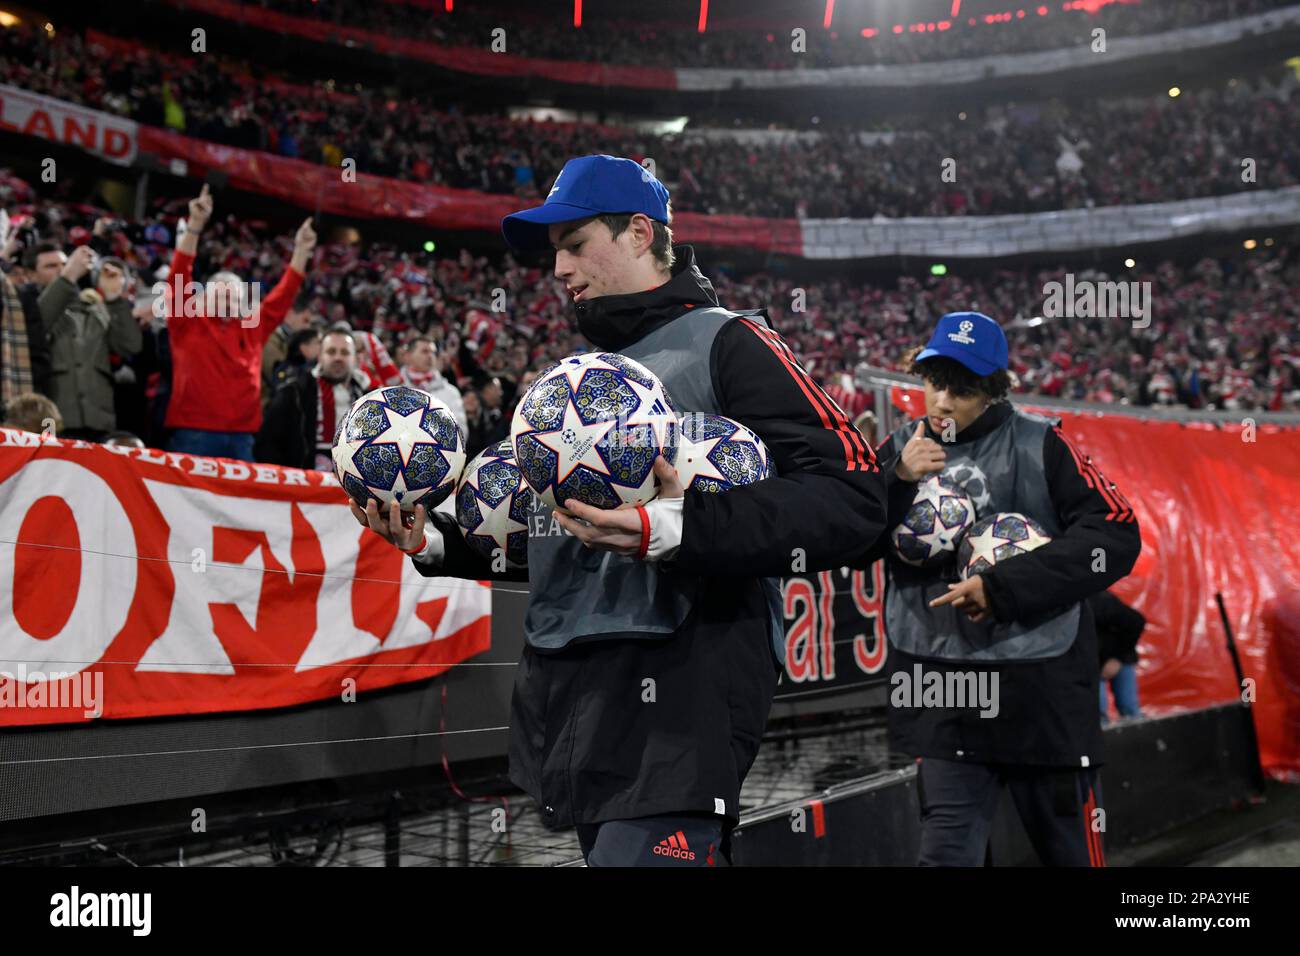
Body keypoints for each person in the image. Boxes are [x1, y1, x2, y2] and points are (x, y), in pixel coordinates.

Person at [353, 154, 889, 866]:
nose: (558, 270)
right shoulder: (585, 380)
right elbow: (565, 537)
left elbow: (854, 499)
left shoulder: (730, 342)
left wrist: (679, 529)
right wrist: (436, 544)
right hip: (574, 690)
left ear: (641, 233)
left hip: (683, 687)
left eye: (574, 245)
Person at [864, 312, 1142, 866]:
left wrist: (1003, 587)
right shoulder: (898, 449)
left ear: (993, 390)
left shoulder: (1044, 444)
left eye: (962, 390)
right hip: (942, 692)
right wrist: (892, 482)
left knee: (1070, 856)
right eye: (934, 383)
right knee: (945, 857)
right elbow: (847, 542)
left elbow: (1115, 533)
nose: (942, 402)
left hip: (1041, 693)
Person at [163, 183, 315, 461]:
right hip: (194, 432)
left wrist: (302, 252)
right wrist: (195, 226)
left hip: (242, 436)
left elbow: (282, 297)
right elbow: (178, 277)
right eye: (220, 298)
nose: (228, 305)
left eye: (234, 300)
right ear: (201, 299)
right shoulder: (187, 323)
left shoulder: (250, 326)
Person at [37, 247, 142, 442]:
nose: (62, 269)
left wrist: (113, 297)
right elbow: (36, 328)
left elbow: (130, 346)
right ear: (31, 273)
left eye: (64, 264)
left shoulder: (96, 308)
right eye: (51, 266)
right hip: (50, 420)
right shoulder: (28, 304)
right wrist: (67, 276)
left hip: (98, 419)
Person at [256, 329, 370, 470]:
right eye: (331, 352)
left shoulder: (368, 399)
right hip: (304, 486)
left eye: (345, 353)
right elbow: (266, 444)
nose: (338, 358)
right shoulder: (293, 393)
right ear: (320, 357)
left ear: (355, 359)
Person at [1091, 589, 1145, 722]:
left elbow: (1136, 621)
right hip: (1092, 664)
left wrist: (1117, 658)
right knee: (1097, 715)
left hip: (1119, 656)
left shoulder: (1098, 600)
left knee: (1130, 712)